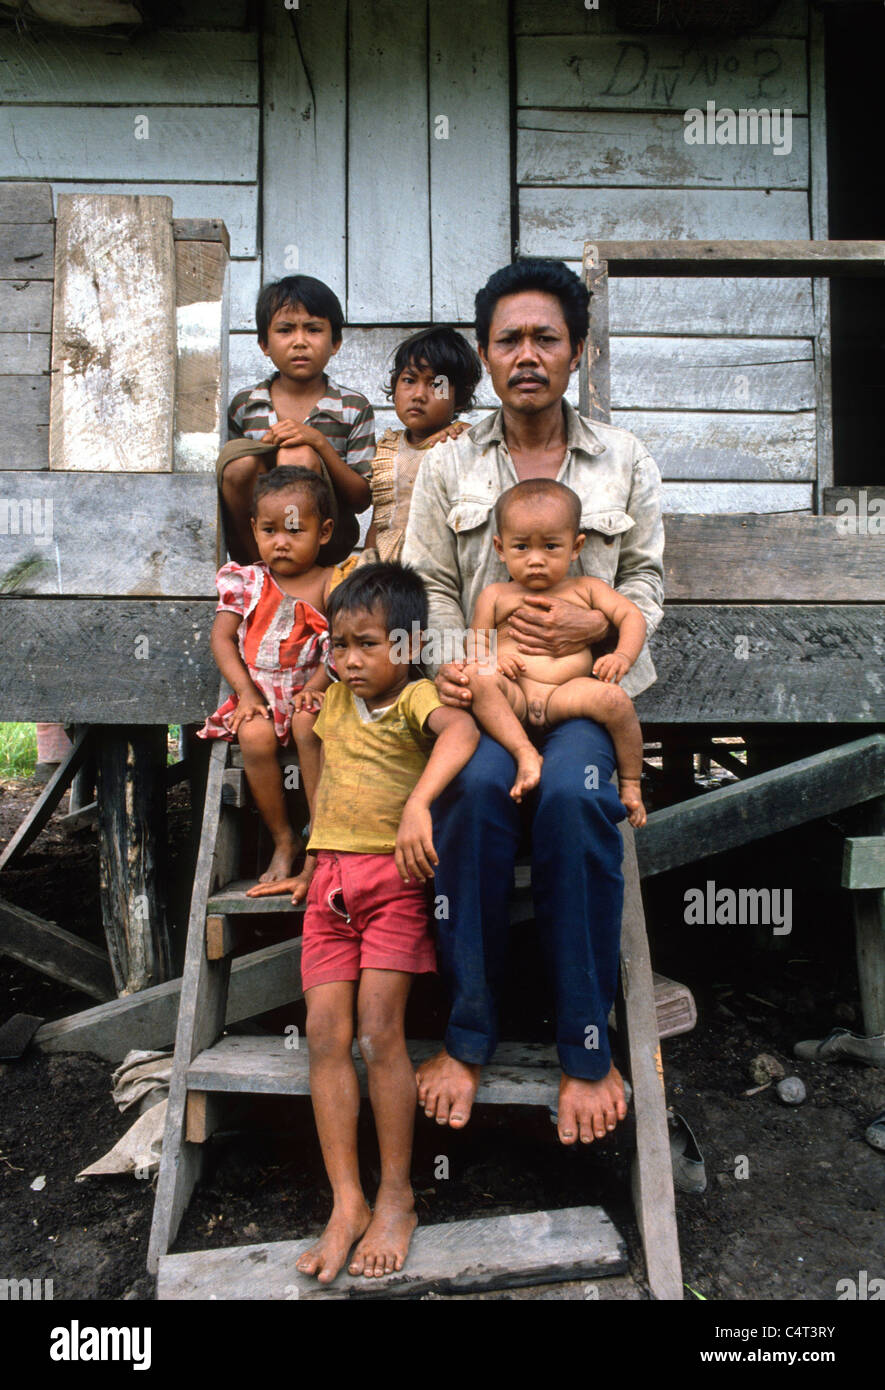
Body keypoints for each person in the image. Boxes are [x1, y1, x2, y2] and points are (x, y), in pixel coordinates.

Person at [401, 258, 665, 1145]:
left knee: (575, 798)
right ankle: (466, 1038)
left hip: (586, 701)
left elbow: (647, 583)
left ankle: (585, 1050)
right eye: (508, 338)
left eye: (545, 337)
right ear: (484, 352)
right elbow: (431, 584)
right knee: (471, 800)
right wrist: (456, 661)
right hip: (489, 699)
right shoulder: (448, 467)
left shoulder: (623, 460)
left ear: (576, 352)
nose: (526, 354)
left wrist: (599, 650)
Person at [270, 563, 479, 1284]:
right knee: (325, 1034)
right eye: (339, 645)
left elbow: (460, 734)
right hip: (329, 882)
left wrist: (420, 804)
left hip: (392, 886)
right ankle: (346, 1202)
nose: (349, 660)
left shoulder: (419, 696)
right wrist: (306, 850)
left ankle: (397, 1195)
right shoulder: (328, 704)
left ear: (409, 642)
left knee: (377, 1033)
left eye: (365, 645)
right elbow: (315, 764)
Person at [463, 478, 648, 825]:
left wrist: (622, 656)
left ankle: (631, 783)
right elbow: (476, 642)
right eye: (521, 548)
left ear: (576, 546)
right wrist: (492, 660)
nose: (536, 560)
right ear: (500, 549)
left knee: (615, 701)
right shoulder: (496, 595)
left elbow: (631, 615)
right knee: (477, 677)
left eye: (550, 546)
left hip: (568, 696)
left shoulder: (587, 589)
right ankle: (524, 753)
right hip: (515, 695)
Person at [197, 467, 334, 888]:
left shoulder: (333, 581)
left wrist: (316, 688)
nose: (281, 542)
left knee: (308, 723)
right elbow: (222, 639)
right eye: (270, 530)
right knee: (254, 737)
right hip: (260, 696)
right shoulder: (247, 581)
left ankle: (320, 839)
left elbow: (342, 645)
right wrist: (245, 693)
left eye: (295, 530)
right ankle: (283, 838)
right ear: (254, 529)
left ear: (324, 532)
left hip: (313, 695)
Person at [217, 275, 374, 567]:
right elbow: (233, 484)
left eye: (313, 330)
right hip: (258, 541)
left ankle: (301, 572)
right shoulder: (245, 405)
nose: (300, 342)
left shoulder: (353, 406)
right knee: (237, 461)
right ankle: (260, 574)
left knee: (297, 454)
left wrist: (318, 444)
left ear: (335, 342)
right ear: (264, 343)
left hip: (326, 541)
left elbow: (362, 499)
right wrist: (261, 455)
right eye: (286, 330)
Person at [359, 327, 482, 563]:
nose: (418, 395)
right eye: (408, 380)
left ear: (461, 398)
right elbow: (382, 517)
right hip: (388, 569)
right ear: (395, 387)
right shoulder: (389, 448)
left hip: (437, 567)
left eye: (437, 385)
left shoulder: (460, 441)